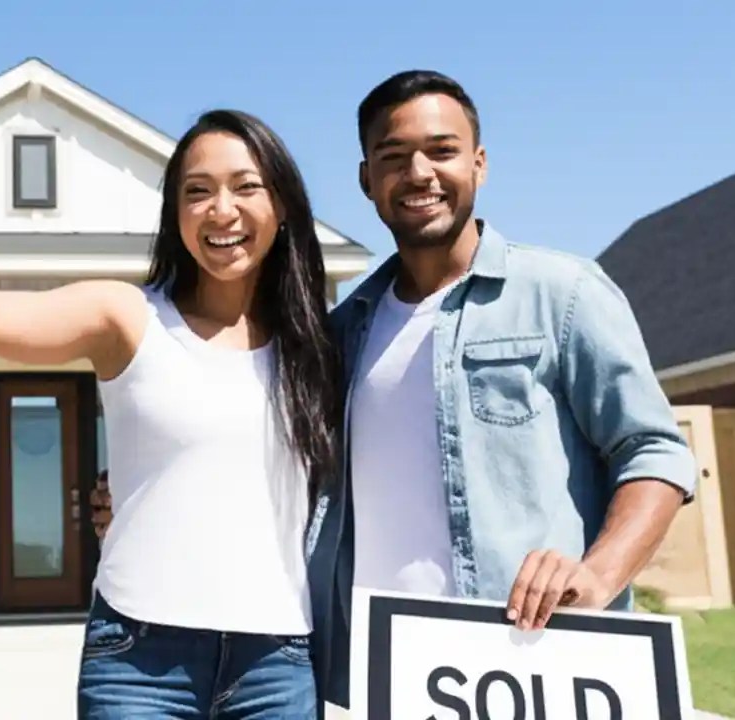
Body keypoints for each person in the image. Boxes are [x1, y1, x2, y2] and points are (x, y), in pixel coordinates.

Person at [93, 68, 698, 714]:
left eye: (442, 151)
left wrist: (598, 573)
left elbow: (654, 452)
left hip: (530, 663)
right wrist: (138, 488)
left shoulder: (562, 295)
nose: (419, 173)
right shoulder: (339, 334)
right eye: (394, 156)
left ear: (479, 163)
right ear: (366, 180)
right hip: (386, 675)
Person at [0, 66, 340, 718]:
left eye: (246, 186)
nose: (222, 210)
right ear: (175, 214)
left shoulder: (319, 345)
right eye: (197, 191)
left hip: (276, 665)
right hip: (139, 662)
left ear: (282, 208)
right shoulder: (127, 318)